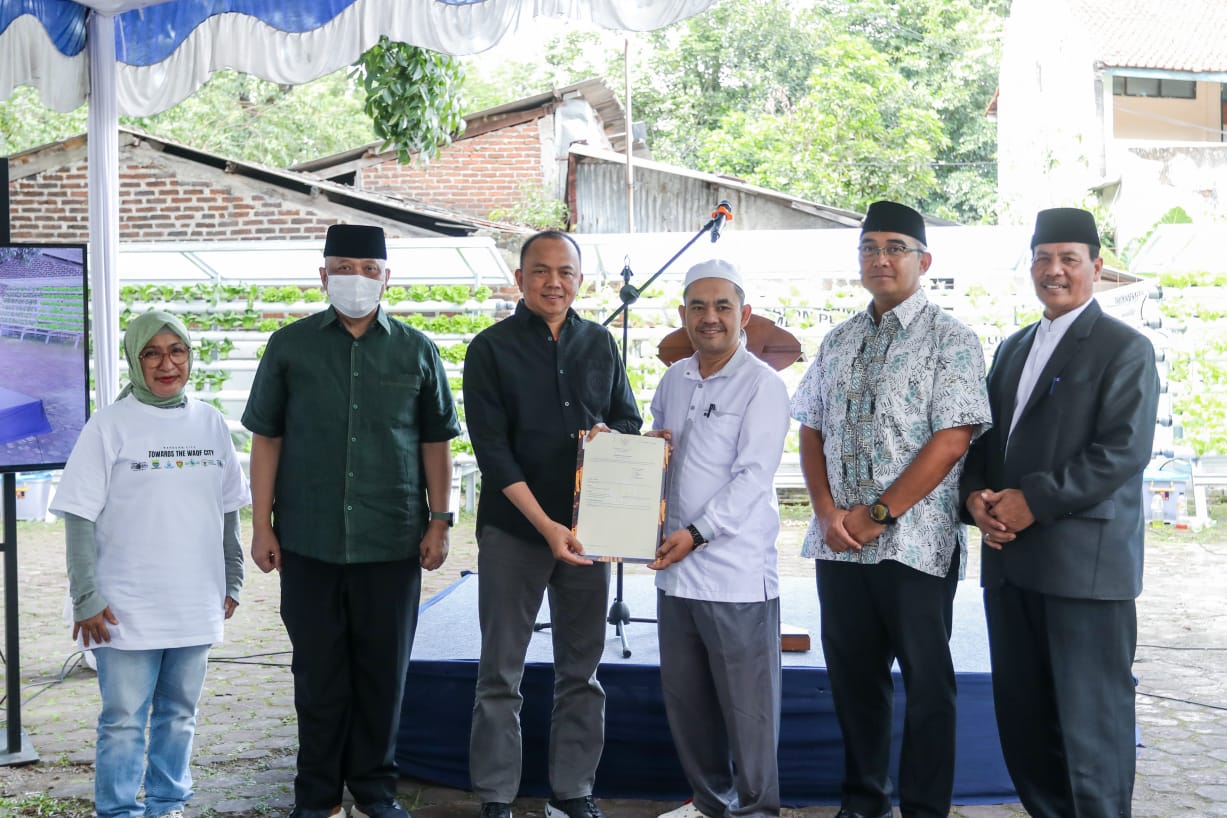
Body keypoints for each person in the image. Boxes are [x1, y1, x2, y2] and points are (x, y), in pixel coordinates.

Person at [242, 224, 461, 818]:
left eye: (368, 269)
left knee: (382, 675)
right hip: (309, 539)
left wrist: (439, 520)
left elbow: (436, 442)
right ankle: (316, 798)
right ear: (323, 276)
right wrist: (261, 525)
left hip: (392, 540)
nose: (355, 280)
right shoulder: (289, 347)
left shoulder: (417, 349)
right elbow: (267, 438)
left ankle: (374, 791)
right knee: (317, 674)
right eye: (343, 267)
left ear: (387, 277)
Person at [790, 201, 992, 818]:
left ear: (923, 261)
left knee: (928, 685)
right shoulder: (839, 338)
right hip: (839, 543)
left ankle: (925, 808)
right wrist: (827, 513)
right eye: (870, 247)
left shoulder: (952, 339)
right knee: (854, 680)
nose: (881, 258)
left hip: (915, 543)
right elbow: (811, 428)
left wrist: (876, 514)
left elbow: (953, 438)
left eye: (895, 247)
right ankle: (864, 801)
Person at [960, 208, 1159, 818]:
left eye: (1070, 259)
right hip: (1010, 565)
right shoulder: (1013, 346)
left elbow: (1122, 451)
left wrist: (1032, 502)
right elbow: (986, 441)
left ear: (1096, 267)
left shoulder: (1126, 348)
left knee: (1090, 727)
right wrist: (976, 497)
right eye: (1043, 258)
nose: (1055, 271)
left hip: (1084, 572)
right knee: (1025, 722)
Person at [463, 230, 642, 818]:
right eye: (540, 271)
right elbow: (493, 452)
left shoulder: (599, 344)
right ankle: (496, 795)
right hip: (516, 531)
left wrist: (611, 439)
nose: (553, 282)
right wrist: (544, 525)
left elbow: (627, 421)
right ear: (519, 279)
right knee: (500, 672)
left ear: (580, 281)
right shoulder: (489, 349)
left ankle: (574, 790)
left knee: (582, 671)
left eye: (565, 271)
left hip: (591, 531)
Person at [52, 310, 250, 818]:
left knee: (180, 715)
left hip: (194, 599)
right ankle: (117, 811)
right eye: (152, 353)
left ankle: (167, 804)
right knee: (122, 718)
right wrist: (86, 596)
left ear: (190, 356)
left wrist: (232, 576)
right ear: (135, 362)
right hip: (123, 605)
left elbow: (228, 508)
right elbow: (77, 514)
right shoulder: (109, 424)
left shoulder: (210, 421)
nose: (167, 364)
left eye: (177, 351)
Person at [646, 259, 790, 818]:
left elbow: (753, 478)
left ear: (745, 315)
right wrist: (634, 453)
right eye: (698, 307)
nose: (710, 318)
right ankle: (709, 805)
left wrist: (696, 533)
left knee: (749, 712)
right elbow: (662, 458)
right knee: (689, 705)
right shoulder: (673, 378)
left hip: (735, 574)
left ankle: (756, 810)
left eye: (722, 306)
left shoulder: (763, 386)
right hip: (676, 570)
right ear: (683, 316)